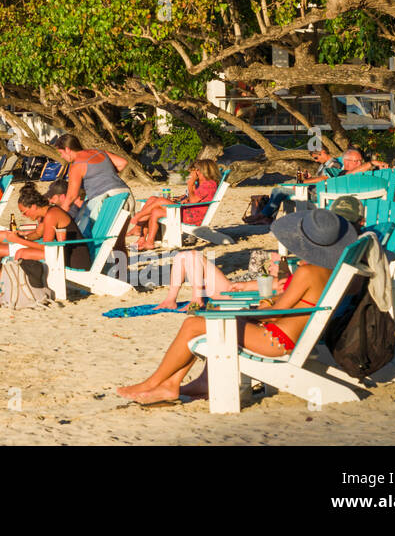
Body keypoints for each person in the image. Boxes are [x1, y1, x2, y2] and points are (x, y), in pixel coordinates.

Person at [119, 208, 357, 404]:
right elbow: (289, 305)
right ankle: (171, 385)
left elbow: (275, 313)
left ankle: (153, 383)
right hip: (284, 333)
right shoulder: (324, 271)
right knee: (207, 320)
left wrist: (252, 311)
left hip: (276, 339)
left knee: (194, 324)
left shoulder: (306, 272)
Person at [0, 183, 88, 298]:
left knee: (19, 253)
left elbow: (47, 248)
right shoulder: (49, 212)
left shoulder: (52, 215)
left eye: (24, 212)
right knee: (0, 249)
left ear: (33, 206)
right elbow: (38, 233)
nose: (24, 215)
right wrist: (22, 236)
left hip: (73, 259)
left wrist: (18, 240)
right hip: (62, 252)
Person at [155, 248, 292, 310]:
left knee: (194, 255)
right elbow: (257, 254)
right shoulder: (265, 275)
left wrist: (244, 285)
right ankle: (170, 299)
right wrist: (275, 258)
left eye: (274, 265)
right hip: (229, 286)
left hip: (231, 293)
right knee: (181, 256)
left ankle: (197, 299)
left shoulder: (277, 281)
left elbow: (249, 287)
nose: (269, 267)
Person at [128, 158, 220, 250]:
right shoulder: (202, 184)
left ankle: (138, 218)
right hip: (189, 211)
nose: (191, 175)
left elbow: (194, 201)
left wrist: (190, 184)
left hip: (192, 216)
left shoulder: (208, 184)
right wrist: (186, 198)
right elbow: (195, 198)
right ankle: (147, 241)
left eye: (193, 172)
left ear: (199, 171)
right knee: (155, 208)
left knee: (160, 200)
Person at [57, 135, 129, 236]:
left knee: (96, 238)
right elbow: (123, 163)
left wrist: (58, 215)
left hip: (107, 201)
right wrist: (104, 174)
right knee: (119, 242)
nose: (61, 156)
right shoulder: (99, 152)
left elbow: (71, 196)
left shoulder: (76, 166)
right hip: (125, 194)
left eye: (61, 153)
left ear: (67, 149)